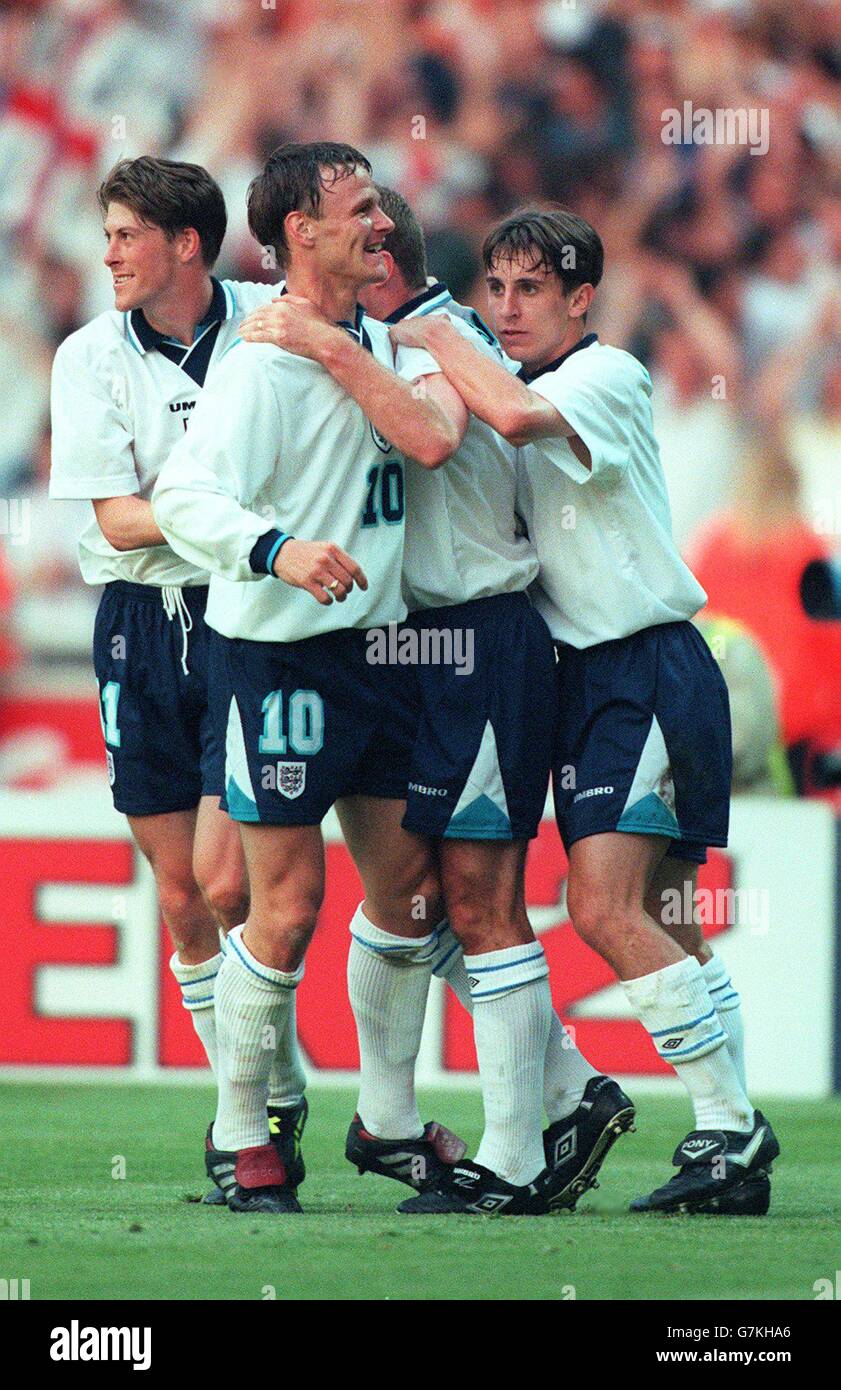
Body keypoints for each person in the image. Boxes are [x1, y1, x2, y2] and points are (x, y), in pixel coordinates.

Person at [240, 186, 636, 1215]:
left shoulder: (436, 339)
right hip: (403, 647)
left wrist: (323, 343)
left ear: (381, 261)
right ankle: (502, 1102)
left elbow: (428, 437)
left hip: (479, 638)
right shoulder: (391, 335)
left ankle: (517, 1152)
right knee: (412, 895)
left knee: (481, 898)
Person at [389, 205, 780, 1216]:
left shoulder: (602, 376)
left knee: (605, 910)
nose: (508, 308)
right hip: (597, 676)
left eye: (531, 289)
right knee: (667, 923)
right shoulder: (512, 379)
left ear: (581, 299)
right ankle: (728, 1142)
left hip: (641, 664)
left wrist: (427, 325)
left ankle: (730, 1125)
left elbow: (516, 419)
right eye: (495, 288)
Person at [152, 142, 468, 1214]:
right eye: (359, 208)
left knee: (410, 896)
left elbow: (431, 440)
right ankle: (244, 1132)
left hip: (382, 653)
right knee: (284, 907)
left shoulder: (375, 342)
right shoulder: (259, 366)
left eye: (379, 205)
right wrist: (276, 549)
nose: (382, 223)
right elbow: (185, 497)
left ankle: (384, 1119)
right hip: (280, 658)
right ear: (300, 231)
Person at [48, 157, 307, 1204]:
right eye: (106, 233)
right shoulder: (87, 356)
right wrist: (228, 510)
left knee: (226, 881)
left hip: (245, 612)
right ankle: (267, 1093)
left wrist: (203, 514)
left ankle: (248, 1118)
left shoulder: (268, 326)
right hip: (138, 623)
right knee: (180, 894)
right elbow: (115, 521)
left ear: (186, 244)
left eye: (126, 234)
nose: (108, 253)